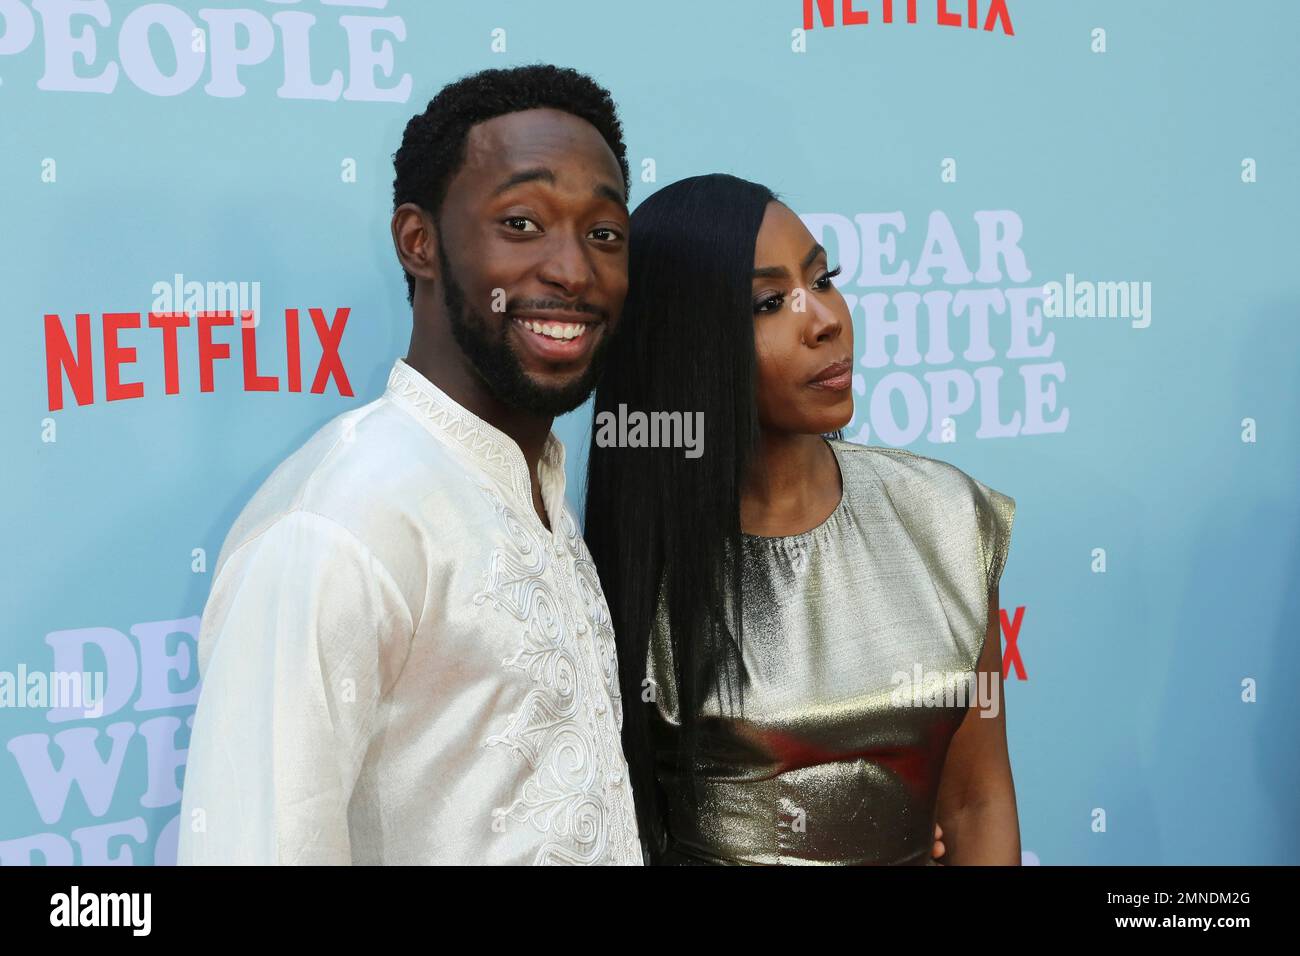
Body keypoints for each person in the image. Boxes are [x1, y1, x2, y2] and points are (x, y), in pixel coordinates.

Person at [178, 64, 643, 865]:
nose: (574, 270)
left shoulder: (536, 490)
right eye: (523, 223)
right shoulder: (339, 522)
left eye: (603, 233)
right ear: (418, 242)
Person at [583, 173, 1020, 865]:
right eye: (768, 302)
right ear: (686, 345)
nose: (825, 319)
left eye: (823, 279)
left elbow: (978, 801)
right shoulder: (628, 579)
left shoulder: (945, 516)